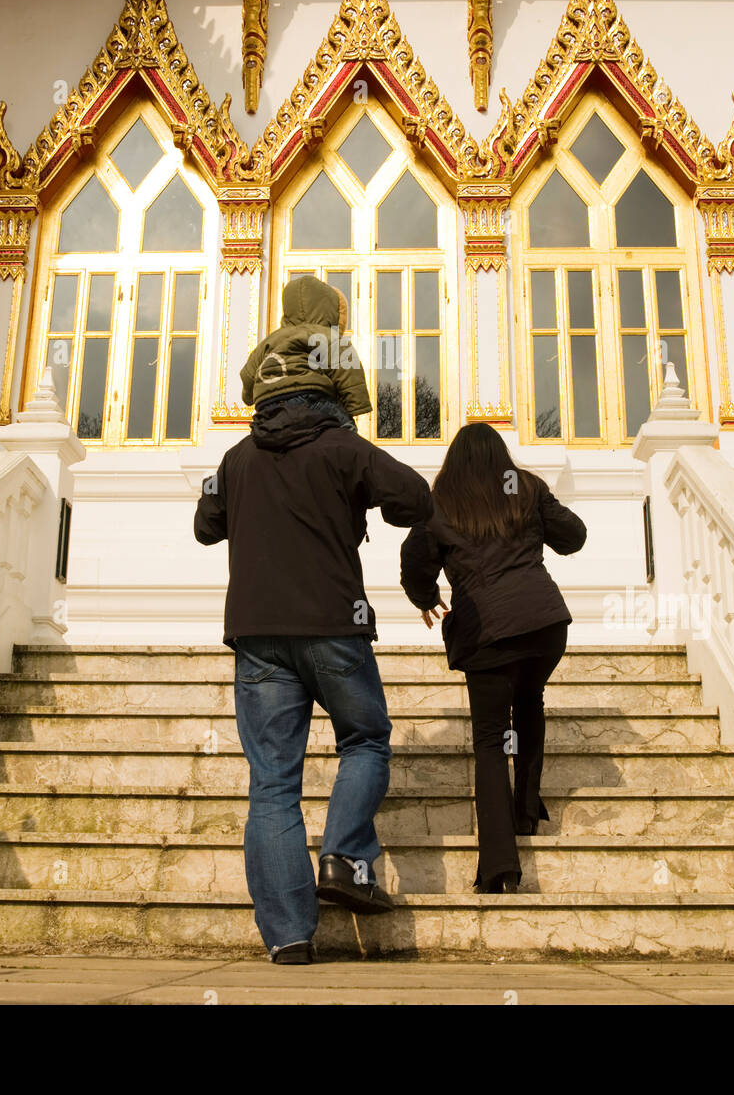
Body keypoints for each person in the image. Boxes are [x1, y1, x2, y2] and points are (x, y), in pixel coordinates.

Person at [194, 389, 431, 964]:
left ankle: (289, 935)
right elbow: (415, 497)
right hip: (333, 623)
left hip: (257, 632)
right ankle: (344, 857)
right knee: (366, 739)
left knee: (272, 781)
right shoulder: (342, 446)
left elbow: (206, 525)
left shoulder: (238, 456)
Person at [399, 422, 586, 894]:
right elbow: (573, 536)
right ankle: (525, 809)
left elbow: (415, 562)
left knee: (489, 741)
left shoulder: (439, 502)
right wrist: (535, 511)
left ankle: (501, 864)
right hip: (544, 624)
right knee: (528, 703)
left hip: (488, 632)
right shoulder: (524, 487)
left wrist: (426, 596)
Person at [239, 275, 371, 431]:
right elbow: (348, 370)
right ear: (328, 309)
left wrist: (248, 396)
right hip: (308, 394)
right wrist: (356, 406)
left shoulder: (272, 339)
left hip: (268, 400)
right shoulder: (328, 335)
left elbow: (248, 373)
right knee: (346, 425)